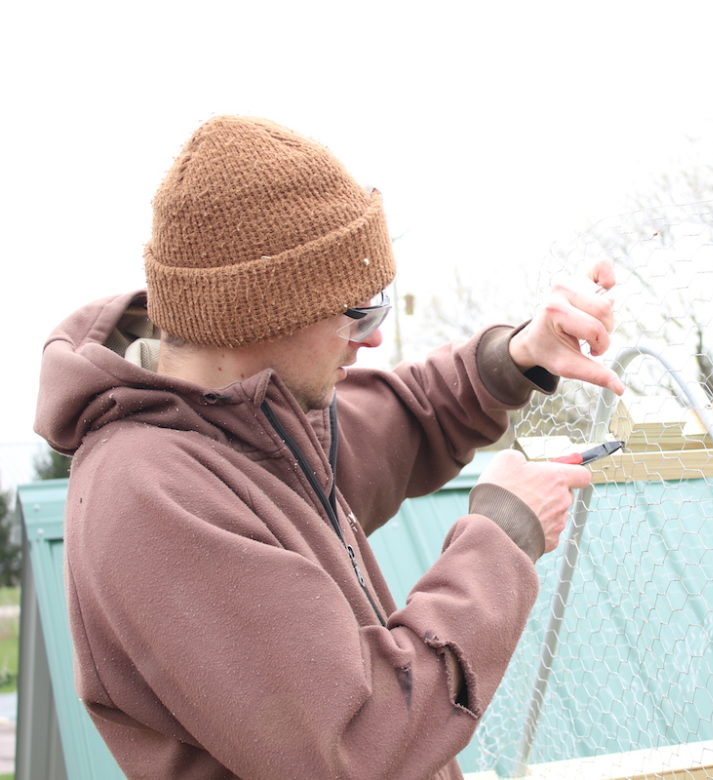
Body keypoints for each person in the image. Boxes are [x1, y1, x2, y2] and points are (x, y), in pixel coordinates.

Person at [34, 115, 624, 780]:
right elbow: (358, 746)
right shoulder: (154, 497)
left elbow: (409, 418)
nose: (372, 338)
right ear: (259, 310)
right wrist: (503, 535)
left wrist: (519, 355)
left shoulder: (246, 430)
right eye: (355, 309)